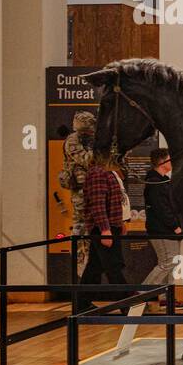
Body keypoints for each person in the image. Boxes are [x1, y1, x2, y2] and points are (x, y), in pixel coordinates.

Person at [142, 148, 183, 311]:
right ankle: (140, 295)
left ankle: (166, 298)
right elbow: (161, 208)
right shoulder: (154, 182)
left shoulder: (162, 180)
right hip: (161, 231)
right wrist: (174, 226)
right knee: (166, 263)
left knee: (172, 263)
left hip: (167, 230)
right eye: (170, 159)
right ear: (162, 162)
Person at [81, 155, 129, 288]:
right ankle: (128, 304)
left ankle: (82, 304)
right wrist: (105, 230)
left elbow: (115, 202)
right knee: (113, 266)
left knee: (95, 266)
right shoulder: (97, 173)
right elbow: (97, 204)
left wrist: (120, 223)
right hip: (103, 227)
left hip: (110, 225)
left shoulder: (110, 173)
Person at [60, 111, 97, 270]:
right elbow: (87, 161)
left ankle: (88, 263)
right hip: (80, 189)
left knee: (91, 226)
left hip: (93, 187)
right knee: (81, 225)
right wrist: (99, 149)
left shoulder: (89, 139)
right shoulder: (73, 141)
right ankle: (79, 265)